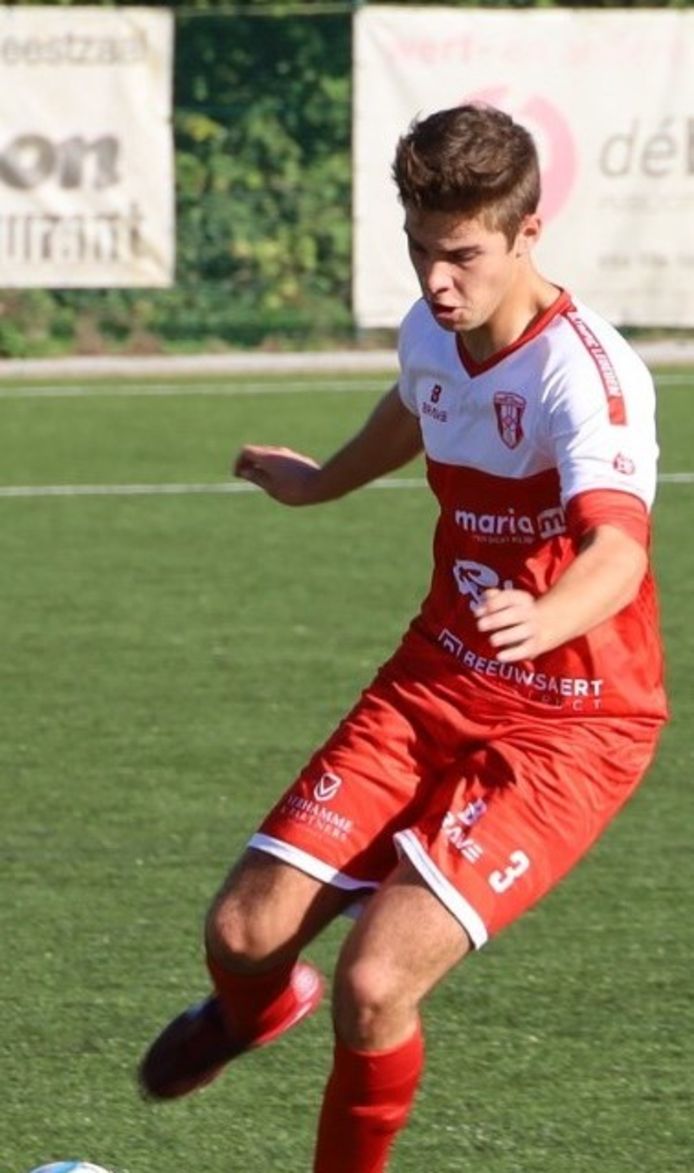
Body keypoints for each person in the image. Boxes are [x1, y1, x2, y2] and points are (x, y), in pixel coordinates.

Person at [138, 104, 667, 1171]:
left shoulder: (588, 377)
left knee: (377, 982)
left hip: (574, 724)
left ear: (527, 233)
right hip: (436, 677)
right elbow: (416, 404)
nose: (436, 281)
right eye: (420, 250)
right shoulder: (432, 326)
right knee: (240, 935)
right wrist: (320, 481)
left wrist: (546, 616)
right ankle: (252, 1012)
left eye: (462, 254)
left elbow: (617, 553)